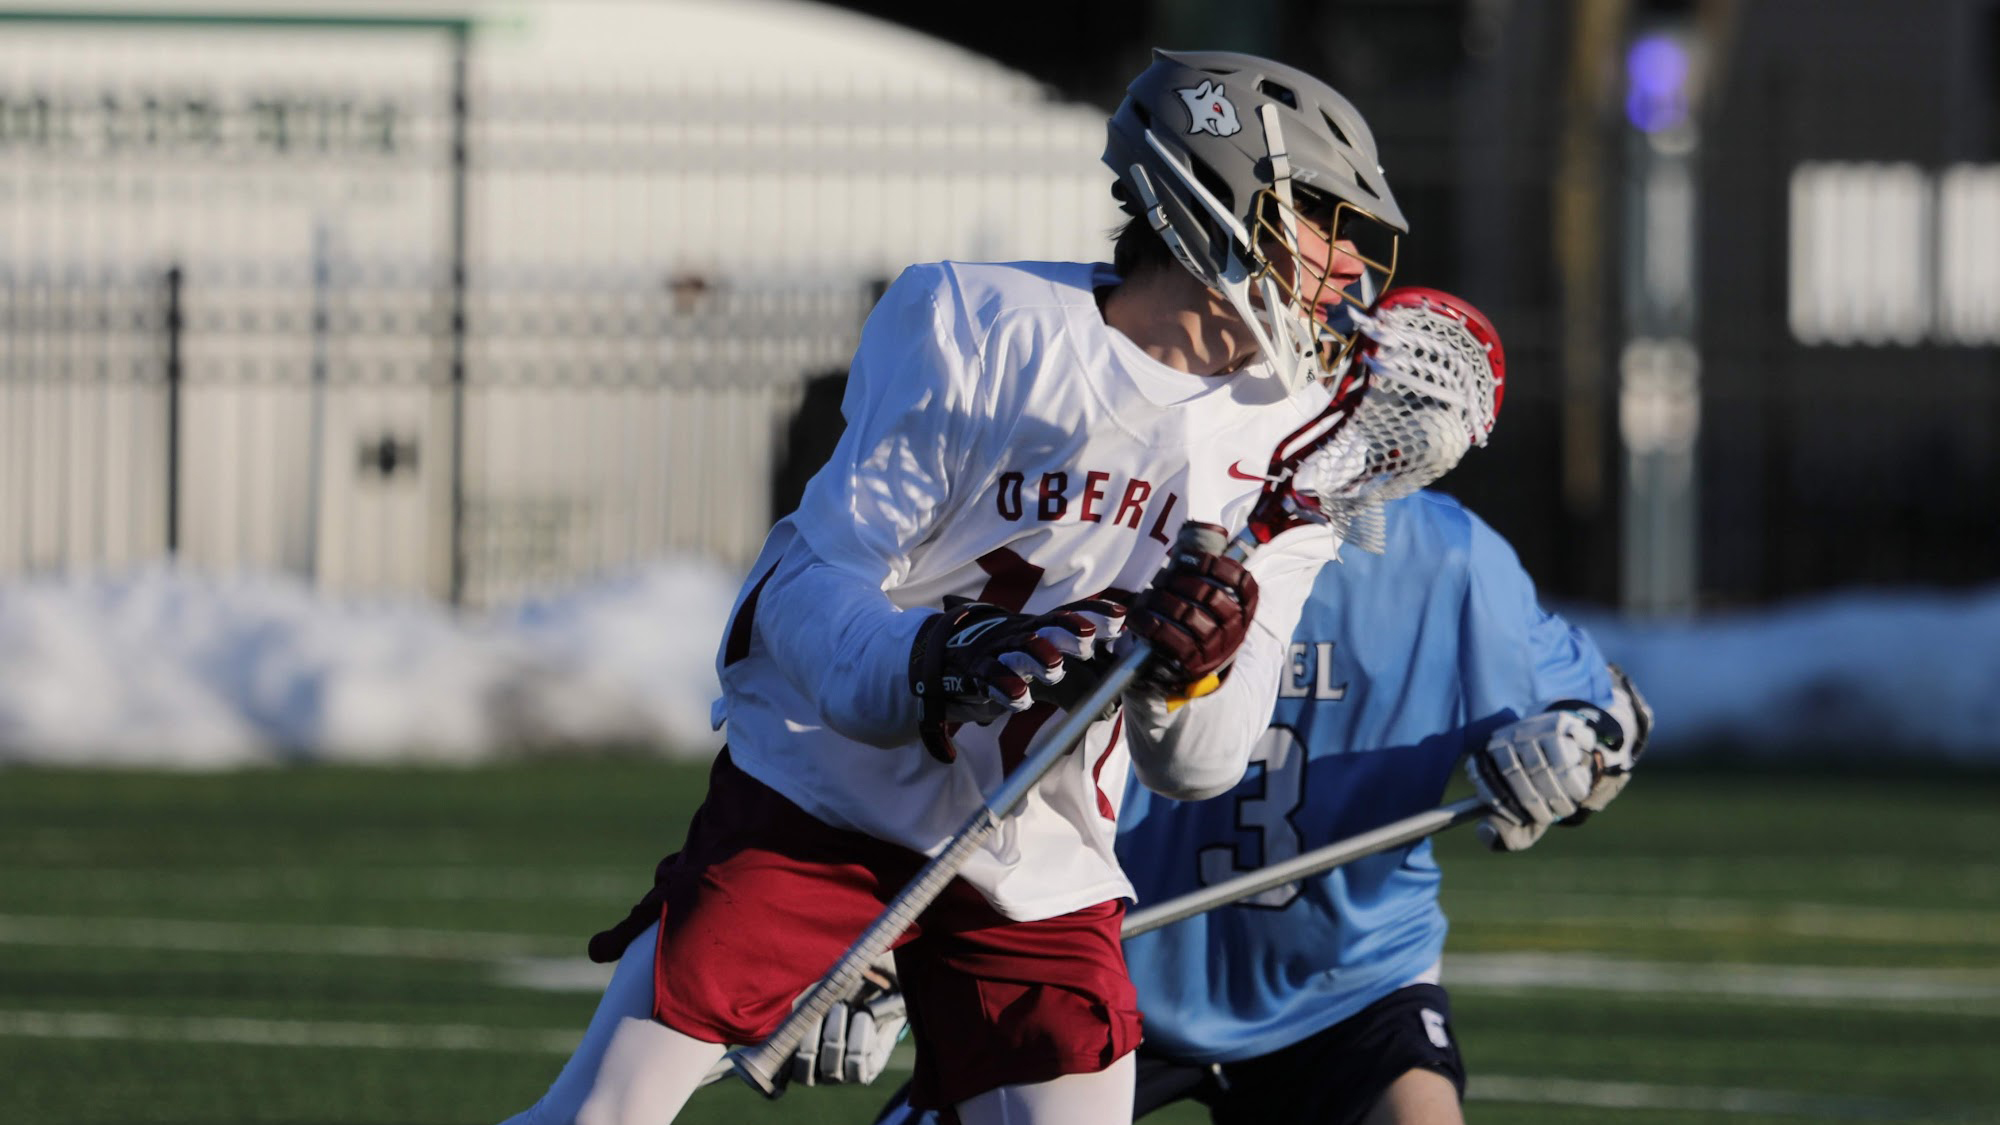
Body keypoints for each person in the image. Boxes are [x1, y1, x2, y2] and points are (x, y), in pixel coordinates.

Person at [497, 48, 1407, 1125]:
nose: (1346, 263)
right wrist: (932, 664)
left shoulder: (1307, 436)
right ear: (1214, 189)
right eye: (1318, 216)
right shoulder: (983, 325)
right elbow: (799, 590)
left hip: (1040, 852)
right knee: (600, 1116)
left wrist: (1186, 674)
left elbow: (1199, 766)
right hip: (824, 808)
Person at [870, 303, 1651, 1125]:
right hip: (1104, 954)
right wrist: (892, 956)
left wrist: (1567, 753)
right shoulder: (1152, 513)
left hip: (1348, 986)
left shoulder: (1455, 563)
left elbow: (1614, 718)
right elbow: (987, 749)